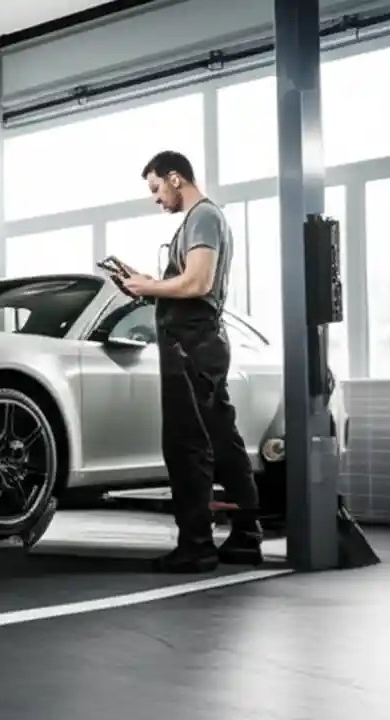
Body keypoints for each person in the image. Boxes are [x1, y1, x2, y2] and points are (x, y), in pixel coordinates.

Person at [115, 150, 264, 573]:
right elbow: (189, 279)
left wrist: (150, 287)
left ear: (176, 178)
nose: (156, 199)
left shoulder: (202, 216)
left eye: (157, 188)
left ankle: (197, 545)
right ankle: (246, 536)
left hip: (192, 344)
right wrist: (147, 283)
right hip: (196, 343)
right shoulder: (200, 220)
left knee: (188, 445)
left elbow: (199, 282)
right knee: (220, 438)